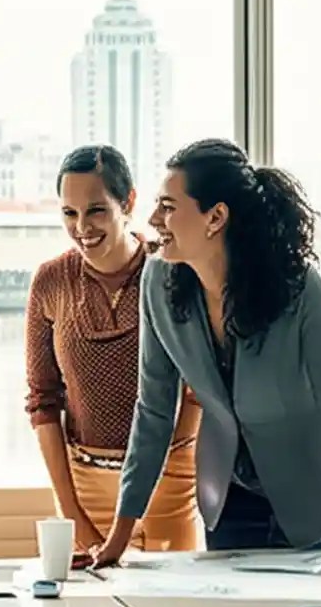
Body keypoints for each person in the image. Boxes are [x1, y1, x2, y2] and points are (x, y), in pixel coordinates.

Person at [90, 138, 321, 589]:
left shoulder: (299, 289)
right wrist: (119, 538)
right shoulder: (158, 283)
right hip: (226, 506)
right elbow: (154, 412)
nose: (153, 220)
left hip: (306, 513)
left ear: (215, 217)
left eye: (168, 206)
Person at [26, 145, 202, 555]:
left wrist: (174, 462)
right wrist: (71, 513)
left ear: (128, 203)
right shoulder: (50, 281)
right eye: (69, 213)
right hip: (85, 487)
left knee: (174, 596)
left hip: (167, 483)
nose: (81, 227)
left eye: (96, 210)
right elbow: (42, 401)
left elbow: (200, 383)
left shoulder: (174, 272)